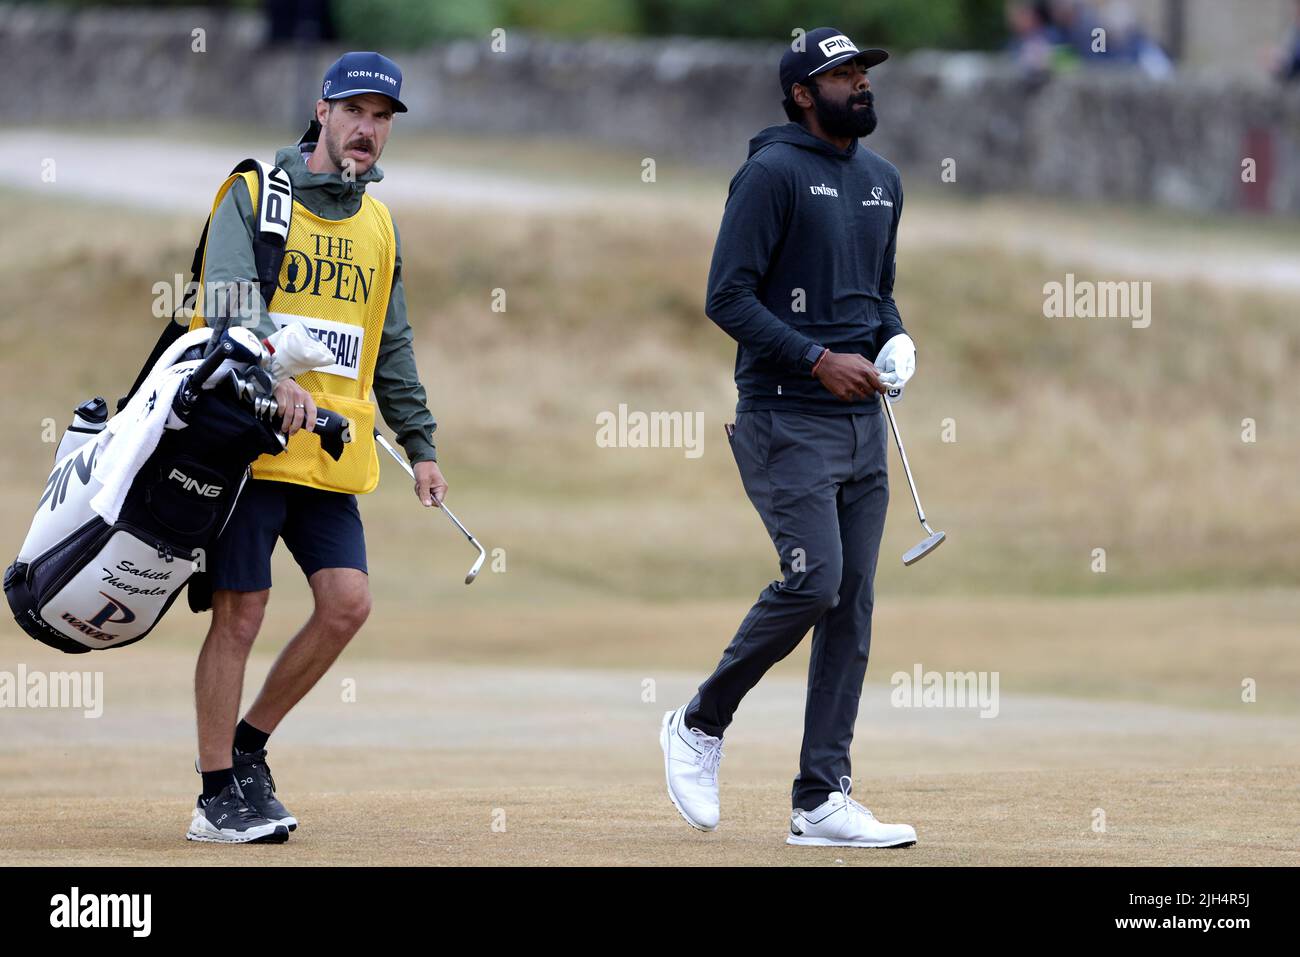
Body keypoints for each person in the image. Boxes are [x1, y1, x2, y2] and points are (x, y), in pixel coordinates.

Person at [660, 27, 919, 849]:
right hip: (784, 415)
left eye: (863, 73)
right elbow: (725, 297)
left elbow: (877, 296)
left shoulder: (882, 180)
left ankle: (821, 797)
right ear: (803, 93)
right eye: (842, 76)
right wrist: (815, 359)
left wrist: (896, 340)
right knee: (813, 583)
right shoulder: (769, 173)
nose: (860, 85)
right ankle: (699, 722)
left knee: (852, 608)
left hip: (861, 424)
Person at [184, 52, 446, 843]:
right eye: (356, 112)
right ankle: (214, 796)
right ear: (322, 111)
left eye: (383, 118)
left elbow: (388, 344)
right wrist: (273, 371)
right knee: (242, 610)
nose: (369, 131)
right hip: (249, 443)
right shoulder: (253, 194)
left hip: (332, 455)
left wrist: (422, 442)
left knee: (347, 604)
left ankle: (249, 747)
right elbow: (227, 300)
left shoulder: (380, 224)